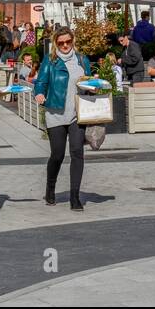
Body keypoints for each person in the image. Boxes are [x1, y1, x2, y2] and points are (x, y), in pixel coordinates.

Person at [33, 25, 90, 210]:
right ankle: (50, 188)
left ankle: (75, 196)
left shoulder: (82, 60)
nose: (65, 45)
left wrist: (94, 84)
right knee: (57, 155)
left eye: (68, 42)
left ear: (73, 41)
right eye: (61, 43)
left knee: (77, 153)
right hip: (55, 114)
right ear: (55, 43)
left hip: (77, 114)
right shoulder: (50, 61)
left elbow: (88, 82)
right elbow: (40, 82)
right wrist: (39, 93)